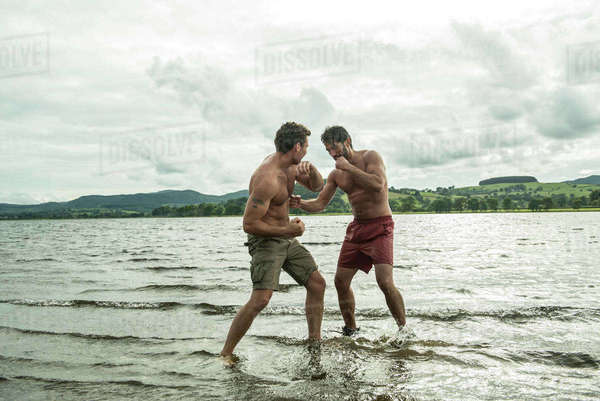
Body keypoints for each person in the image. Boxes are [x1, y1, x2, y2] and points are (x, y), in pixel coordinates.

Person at [220, 122, 327, 364]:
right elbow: (249, 224)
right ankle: (226, 353)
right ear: (297, 146)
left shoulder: (292, 166)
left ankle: (314, 342)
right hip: (266, 241)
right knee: (261, 299)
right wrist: (288, 228)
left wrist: (313, 170)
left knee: (317, 284)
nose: (307, 152)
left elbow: (318, 186)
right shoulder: (268, 178)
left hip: (286, 238)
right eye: (306, 147)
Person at [290, 125, 406, 336]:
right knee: (340, 281)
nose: (333, 154)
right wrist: (300, 204)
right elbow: (320, 204)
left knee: (385, 282)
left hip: (381, 226)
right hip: (357, 229)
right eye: (328, 151)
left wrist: (350, 167)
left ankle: (403, 330)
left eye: (335, 148)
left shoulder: (371, 157)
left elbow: (378, 184)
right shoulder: (336, 175)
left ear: (347, 141)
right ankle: (351, 329)